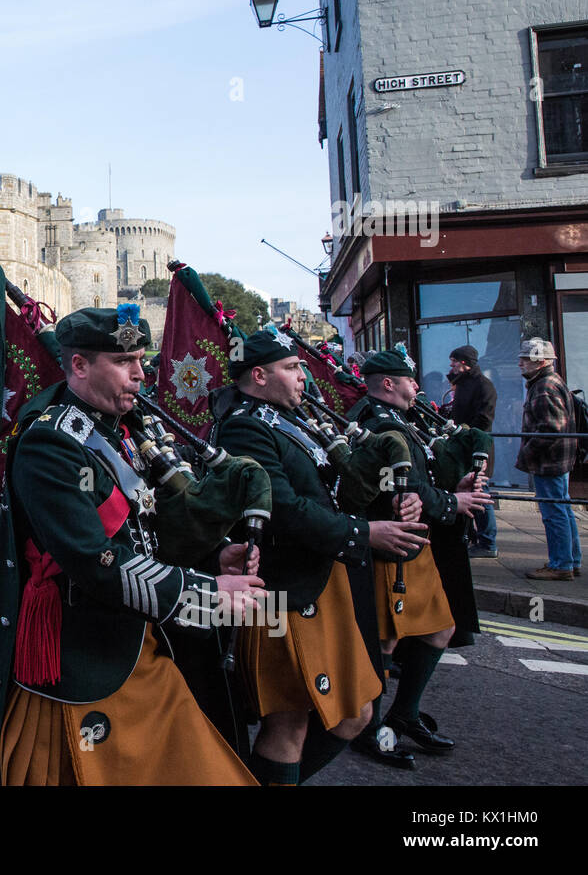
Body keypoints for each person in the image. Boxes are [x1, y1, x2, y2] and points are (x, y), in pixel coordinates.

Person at [0, 307, 263, 785]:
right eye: (124, 361)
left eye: (141, 360)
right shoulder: (51, 442)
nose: (140, 374)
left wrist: (212, 557)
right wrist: (204, 593)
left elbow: (145, 529)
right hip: (86, 655)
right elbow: (95, 561)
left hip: (141, 639)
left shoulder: (120, 429)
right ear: (80, 366)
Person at [210, 328, 429, 785]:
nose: (302, 379)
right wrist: (364, 532)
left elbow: (337, 487)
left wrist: (390, 495)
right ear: (259, 375)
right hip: (282, 591)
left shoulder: (289, 417)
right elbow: (283, 509)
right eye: (291, 369)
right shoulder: (244, 425)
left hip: (324, 579)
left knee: (356, 712)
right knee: (288, 720)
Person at [347, 348, 491, 769]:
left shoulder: (399, 419)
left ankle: (404, 714)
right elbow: (397, 489)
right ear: (389, 384)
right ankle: (367, 728)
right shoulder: (374, 423)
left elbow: (420, 476)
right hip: (389, 543)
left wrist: (456, 484)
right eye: (410, 381)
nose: (418, 388)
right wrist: (454, 500)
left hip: (416, 543)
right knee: (385, 639)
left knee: (440, 629)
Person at [517, 338, 582, 581]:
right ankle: (570, 561)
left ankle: (561, 565)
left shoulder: (544, 387)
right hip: (558, 459)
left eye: (526, 359)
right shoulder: (551, 382)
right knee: (562, 510)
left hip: (549, 462)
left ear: (541, 362)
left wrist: (526, 453)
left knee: (554, 513)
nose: (521, 363)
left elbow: (550, 429)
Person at [447, 345, 498, 557]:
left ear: (465, 363)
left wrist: (466, 434)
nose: (451, 365)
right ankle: (476, 537)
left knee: (480, 492)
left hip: (476, 448)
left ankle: (488, 542)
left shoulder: (483, 386)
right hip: (463, 445)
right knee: (472, 491)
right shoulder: (462, 384)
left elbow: (484, 419)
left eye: (455, 362)